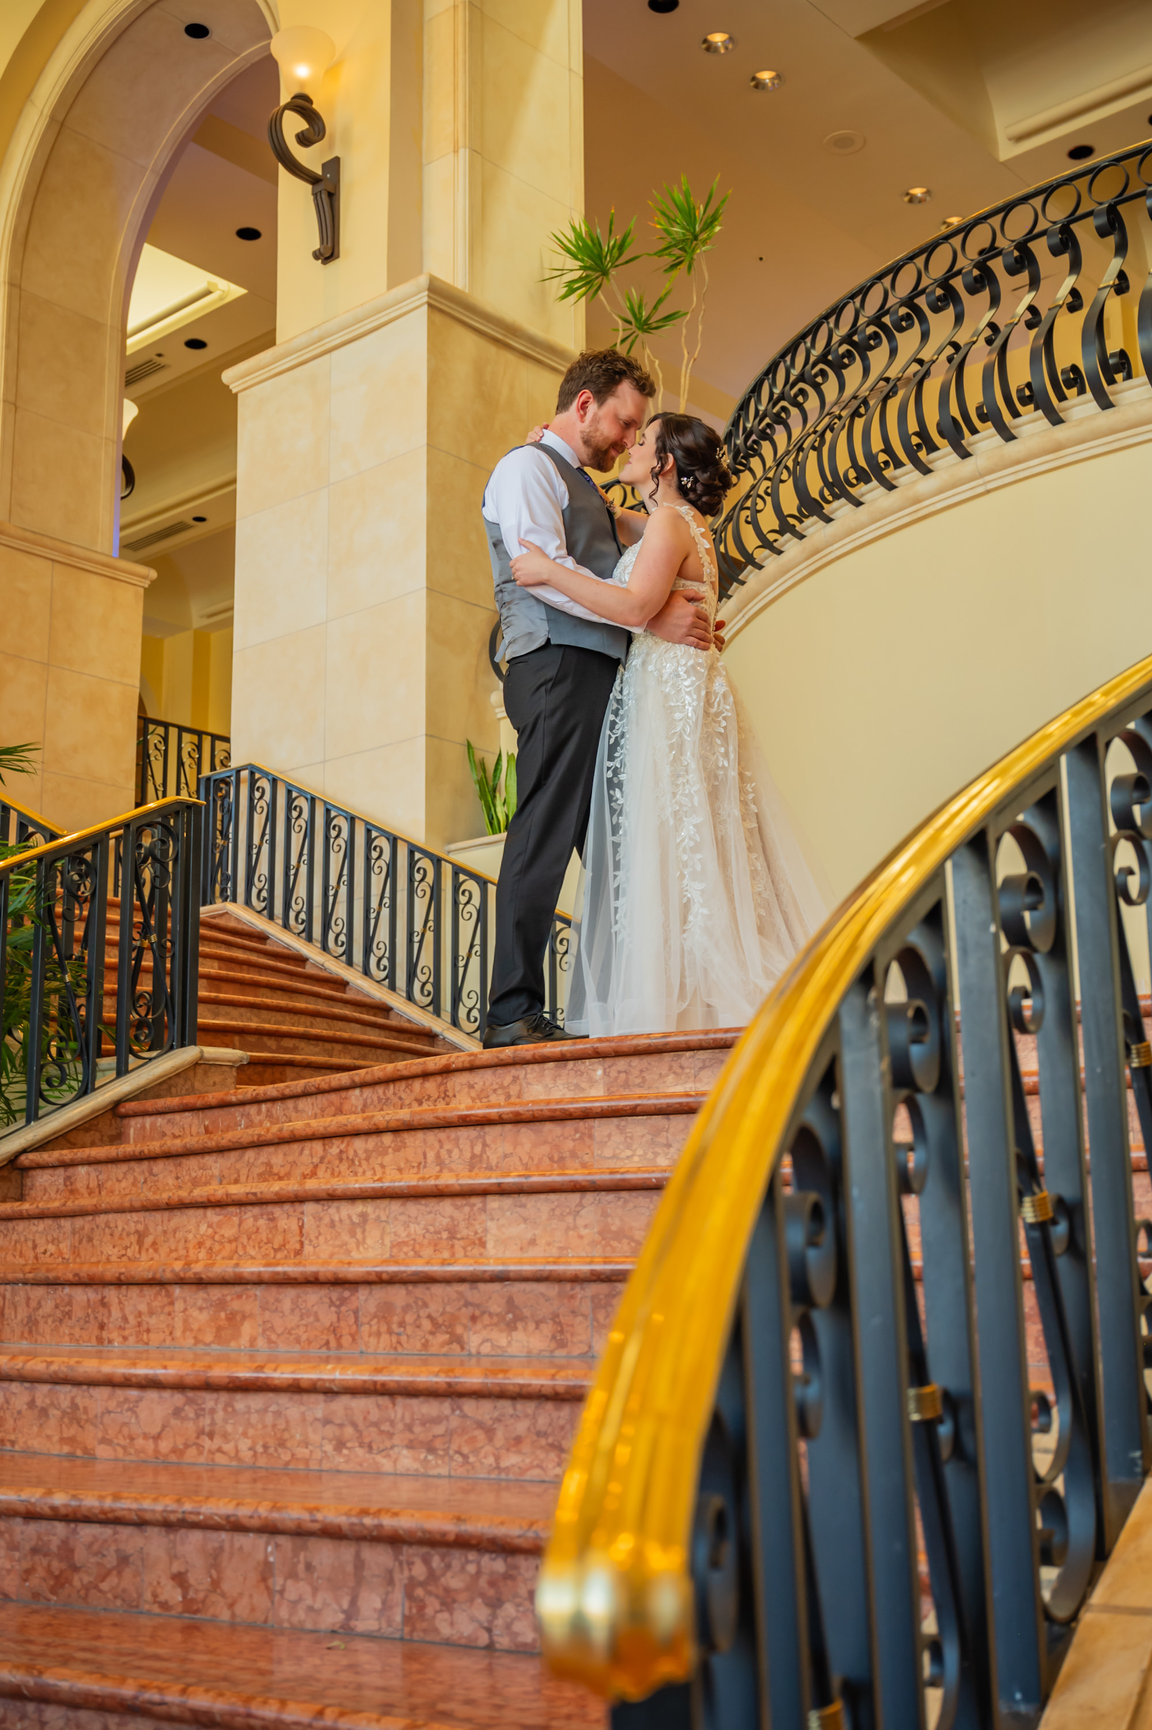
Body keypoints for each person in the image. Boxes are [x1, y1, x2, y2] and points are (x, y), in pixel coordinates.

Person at [511, 411, 824, 1035]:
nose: (629, 445)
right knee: (690, 832)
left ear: (665, 465)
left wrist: (550, 571)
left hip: (671, 692)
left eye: (642, 441)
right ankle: (690, 987)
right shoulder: (677, 524)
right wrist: (549, 456)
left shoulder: (670, 524)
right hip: (686, 686)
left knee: (674, 832)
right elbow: (614, 519)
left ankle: (685, 996)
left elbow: (632, 605)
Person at [480, 350, 720, 1049]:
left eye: (637, 431)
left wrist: (683, 593)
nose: (626, 438)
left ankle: (628, 1003)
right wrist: (650, 614)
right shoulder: (524, 469)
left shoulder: (580, 482)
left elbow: (658, 534)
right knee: (544, 831)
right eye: (623, 421)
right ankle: (510, 1011)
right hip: (553, 663)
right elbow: (542, 578)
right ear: (583, 404)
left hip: (598, 670)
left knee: (615, 846)